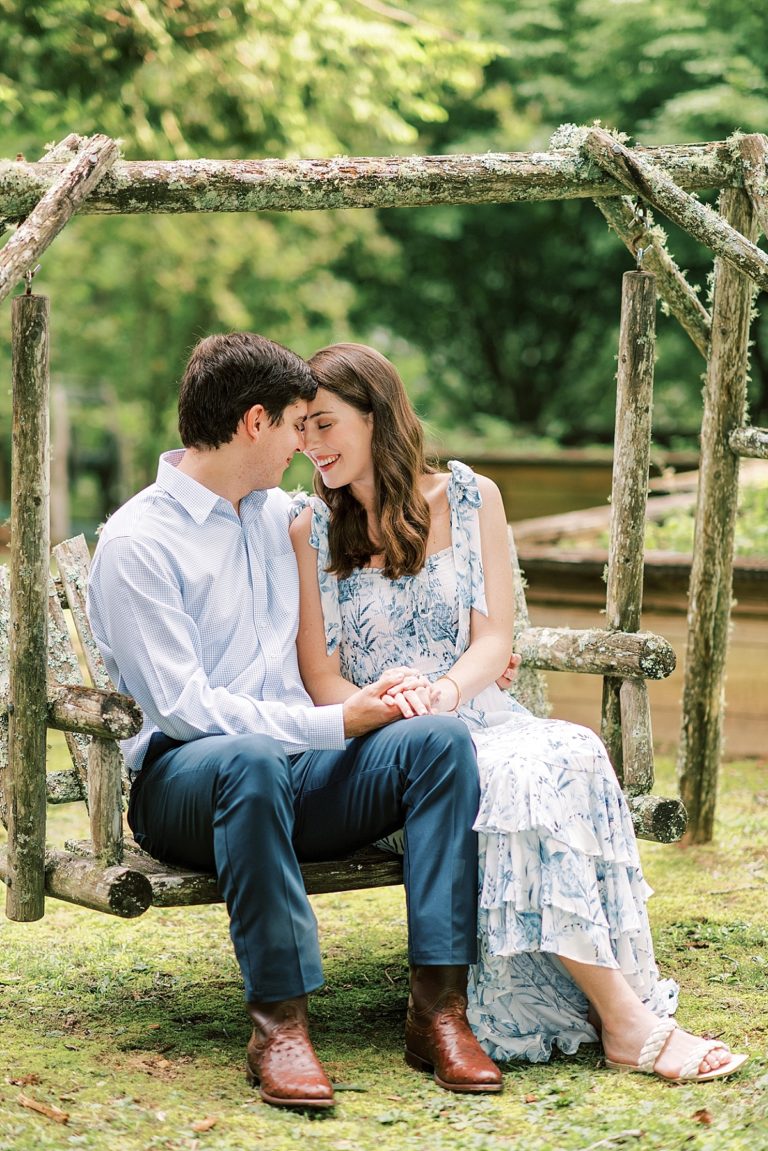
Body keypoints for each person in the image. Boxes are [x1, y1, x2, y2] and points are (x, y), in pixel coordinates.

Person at [289, 341, 748, 1085]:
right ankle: (627, 1022)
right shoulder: (309, 529)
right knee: (516, 779)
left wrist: (445, 692)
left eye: (324, 423)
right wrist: (382, 707)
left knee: (570, 749)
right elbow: (321, 678)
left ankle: (608, 1002)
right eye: (300, 428)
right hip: (392, 752)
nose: (310, 444)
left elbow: (494, 638)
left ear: (376, 416)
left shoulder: (472, 499)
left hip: (477, 712)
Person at [86, 332, 505, 1111]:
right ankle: (279, 1026)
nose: (304, 445)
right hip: (188, 785)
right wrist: (337, 721)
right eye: (293, 425)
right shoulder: (139, 542)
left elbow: (395, 546)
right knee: (247, 756)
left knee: (439, 742)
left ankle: (439, 1013)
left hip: (301, 776)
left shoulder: (285, 516)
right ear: (255, 422)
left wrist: (455, 662)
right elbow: (183, 707)